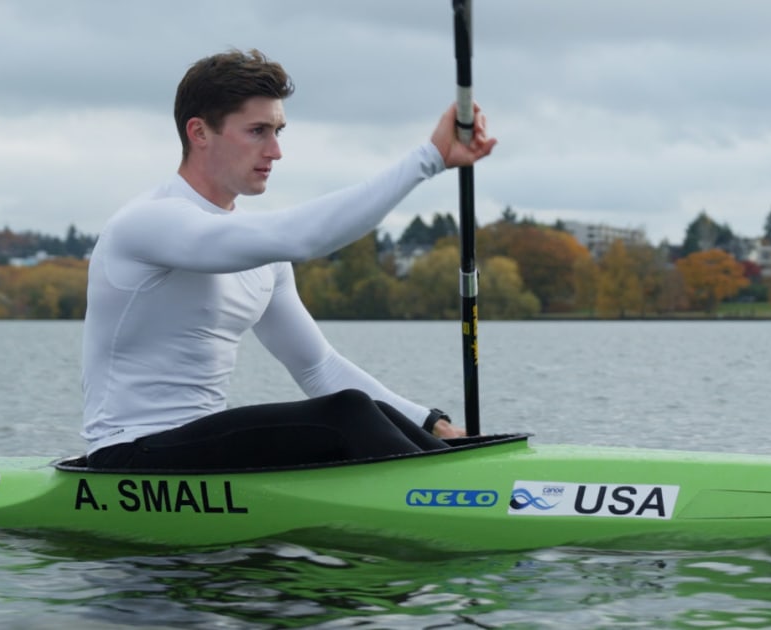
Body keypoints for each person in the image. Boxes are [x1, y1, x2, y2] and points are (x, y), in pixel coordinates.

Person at [81, 49, 496, 470]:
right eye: (258, 131)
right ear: (200, 132)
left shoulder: (262, 258)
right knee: (347, 415)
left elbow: (318, 366)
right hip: (125, 455)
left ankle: (462, 470)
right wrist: (429, 159)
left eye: (279, 130)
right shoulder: (151, 222)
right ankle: (470, 497)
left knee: (370, 411)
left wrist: (431, 424)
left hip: (198, 453)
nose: (276, 151)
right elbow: (302, 238)